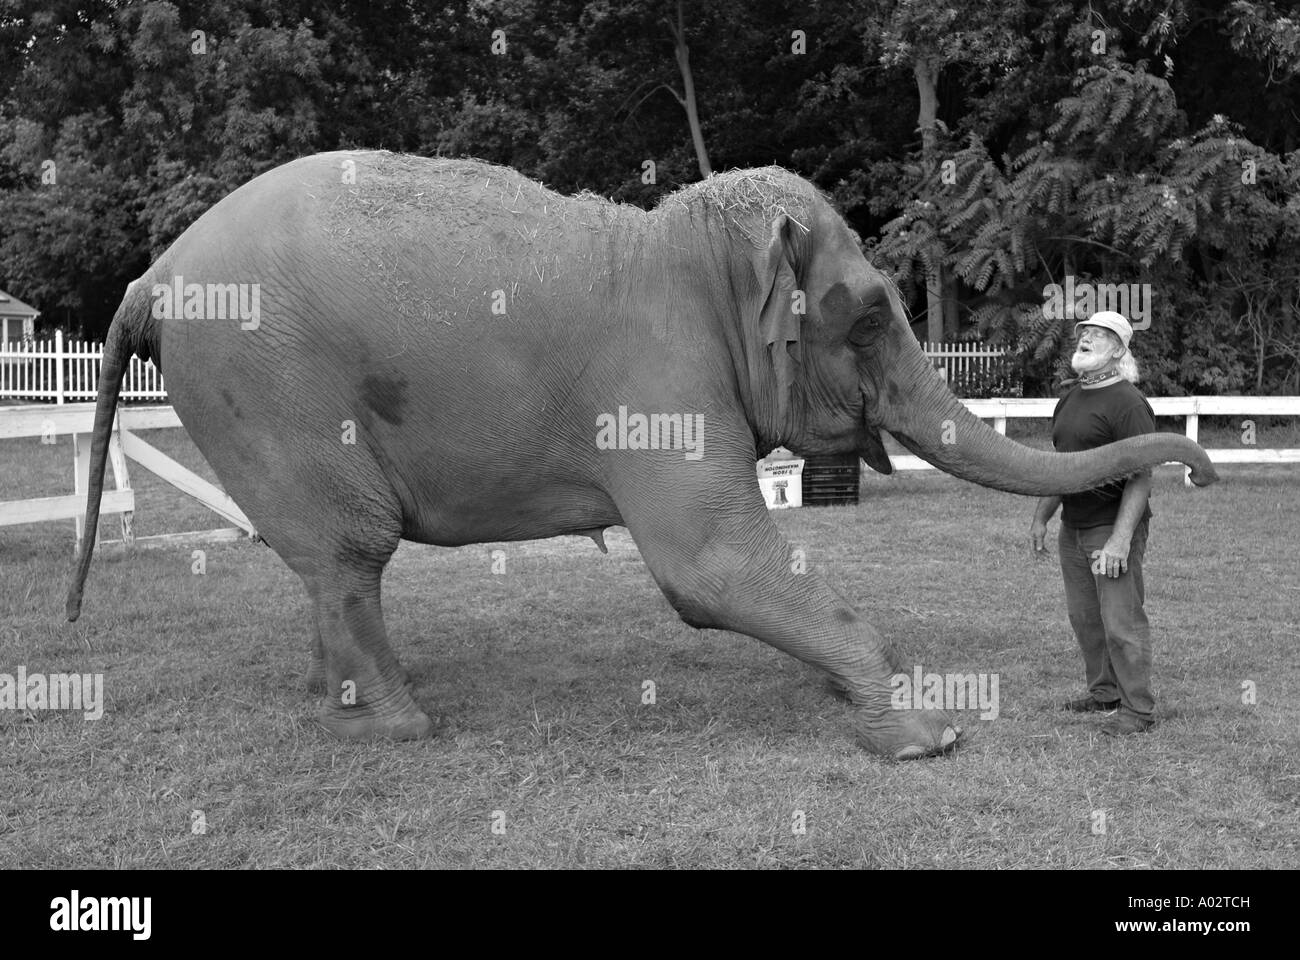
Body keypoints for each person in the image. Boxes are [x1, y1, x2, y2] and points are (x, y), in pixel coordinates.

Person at [1030, 311, 1157, 736]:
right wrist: (1043, 516)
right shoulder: (1069, 398)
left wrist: (1120, 541)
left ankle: (1138, 710)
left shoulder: (1129, 403)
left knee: (1121, 620)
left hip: (1111, 528)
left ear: (1118, 351)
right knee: (1085, 618)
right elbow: (1063, 467)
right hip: (1075, 527)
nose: (1085, 340)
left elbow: (1142, 476)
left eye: (1099, 336)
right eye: (1084, 334)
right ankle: (1105, 693)